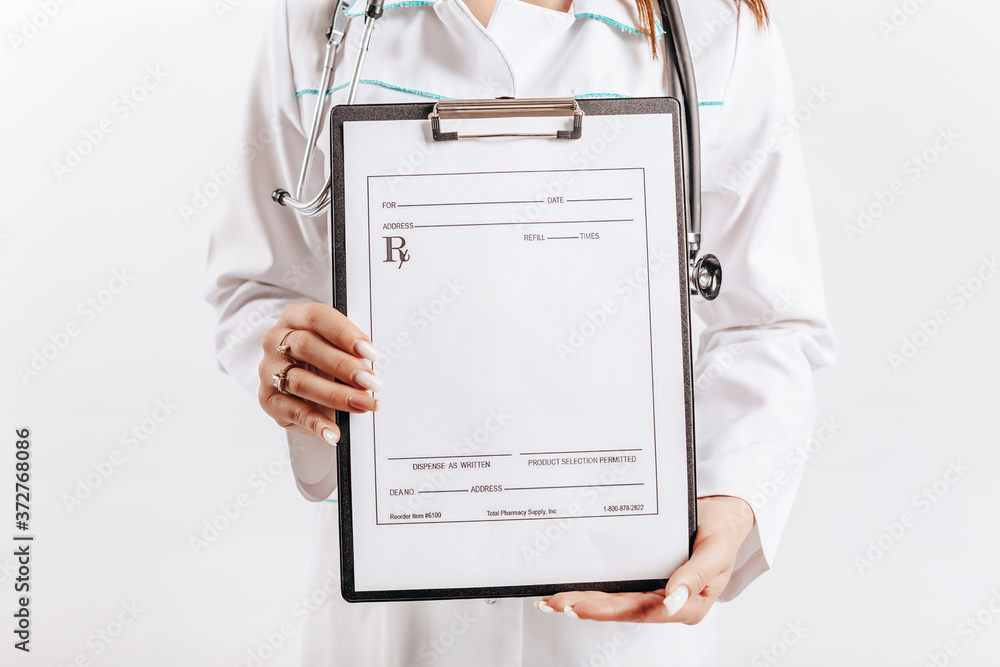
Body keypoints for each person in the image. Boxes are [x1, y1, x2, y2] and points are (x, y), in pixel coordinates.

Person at [204, 0, 836, 664]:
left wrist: (728, 507)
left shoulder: (714, 25)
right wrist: (288, 363)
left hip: (624, 609)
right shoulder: (324, 18)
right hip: (399, 614)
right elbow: (257, 285)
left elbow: (768, 321)